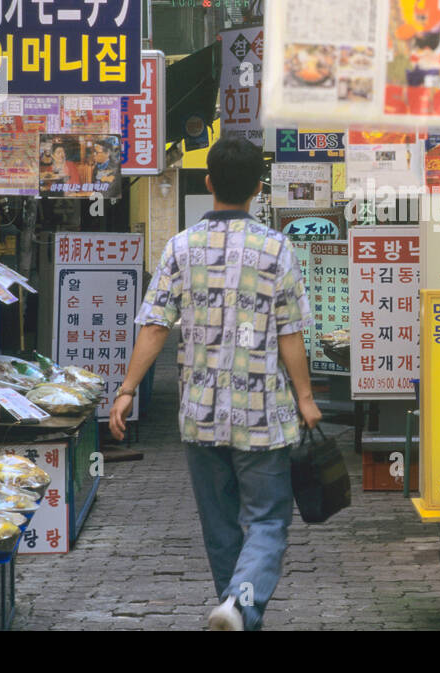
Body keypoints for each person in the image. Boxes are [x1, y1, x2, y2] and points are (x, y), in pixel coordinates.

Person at [109, 135, 320, 631]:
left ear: (208, 185)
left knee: (220, 528)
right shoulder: (277, 249)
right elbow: (290, 335)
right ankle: (241, 606)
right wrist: (306, 399)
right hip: (264, 416)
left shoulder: (180, 248)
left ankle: (234, 610)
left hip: (200, 415)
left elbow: (156, 326)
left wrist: (125, 391)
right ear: (257, 188)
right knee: (268, 520)